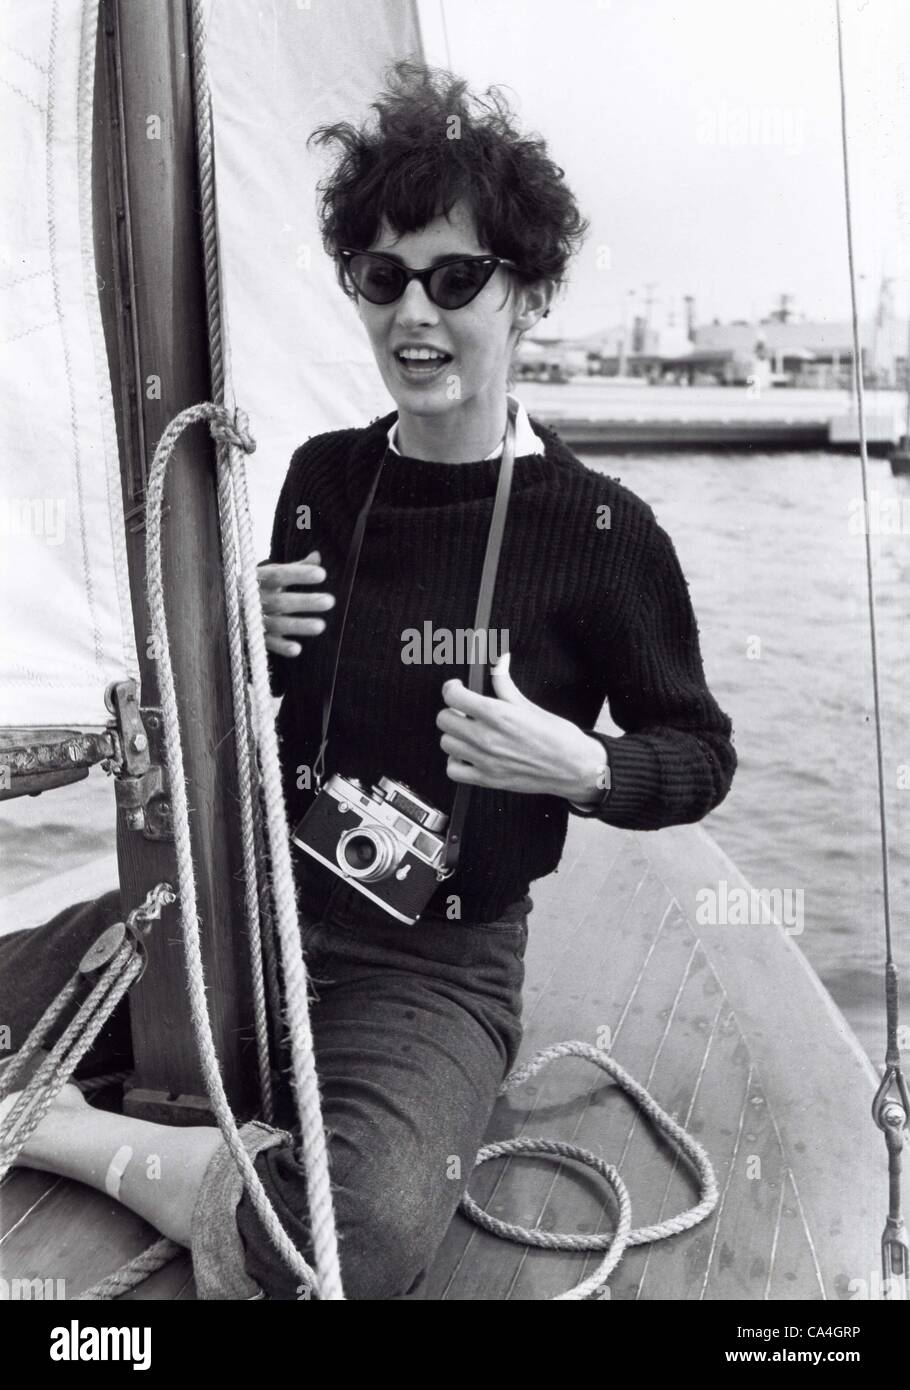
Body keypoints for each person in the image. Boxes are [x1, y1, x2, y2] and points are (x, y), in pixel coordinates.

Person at [0, 63, 736, 1300]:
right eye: (382, 277)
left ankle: (56, 1126)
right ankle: (159, 1130)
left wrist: (586, 764)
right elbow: (256, 716)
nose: (415, 314)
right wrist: (231, 626)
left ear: (530, 293)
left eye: (456, 280)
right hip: (254, 895)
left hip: (433, 962)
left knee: (357, 1242)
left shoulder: (602, 532)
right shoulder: (320, 477)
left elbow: (700, 753)